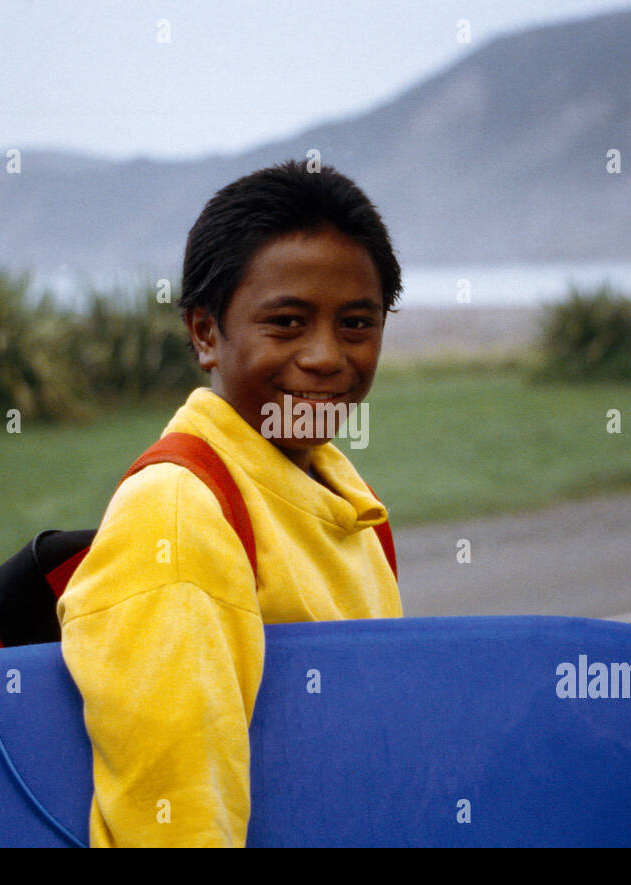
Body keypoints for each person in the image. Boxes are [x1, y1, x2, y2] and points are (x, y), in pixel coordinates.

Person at [57, 158, 404, 847]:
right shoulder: (181, 516)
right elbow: (176, 824)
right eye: (287, 322)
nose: (326, 356)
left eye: (357, 323)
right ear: (206, 333)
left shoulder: (347, 498)